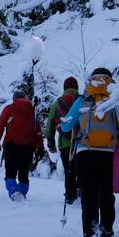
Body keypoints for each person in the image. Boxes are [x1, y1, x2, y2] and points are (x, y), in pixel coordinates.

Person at [61, 68, 119, 237]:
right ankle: (107, 229)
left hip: (84, 153)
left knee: (88, 193)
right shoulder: (114, 99)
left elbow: (65, 127)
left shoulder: (83, 100)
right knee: (106, 191)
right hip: (107, 154)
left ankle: (90, 231)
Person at [0, 90, 43, 200]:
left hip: (12, 146)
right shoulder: (32, 109)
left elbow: (0, 126)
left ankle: (14, 192)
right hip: (28, 147)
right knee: (24, 176)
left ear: (14, 98)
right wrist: (40, 146)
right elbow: (37, 129)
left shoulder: (9, 108)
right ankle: (22, 193)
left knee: (10, 173)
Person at [45, 76, 81, 207]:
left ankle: (70, 195)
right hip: (80, 142)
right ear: (76, 87)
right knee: (81, 169)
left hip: (65, 143)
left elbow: (49, 125)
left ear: (64, 88)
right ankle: (81, 190)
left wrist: (51, 143)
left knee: (69, 169)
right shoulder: (82, 100)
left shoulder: (57, 103)